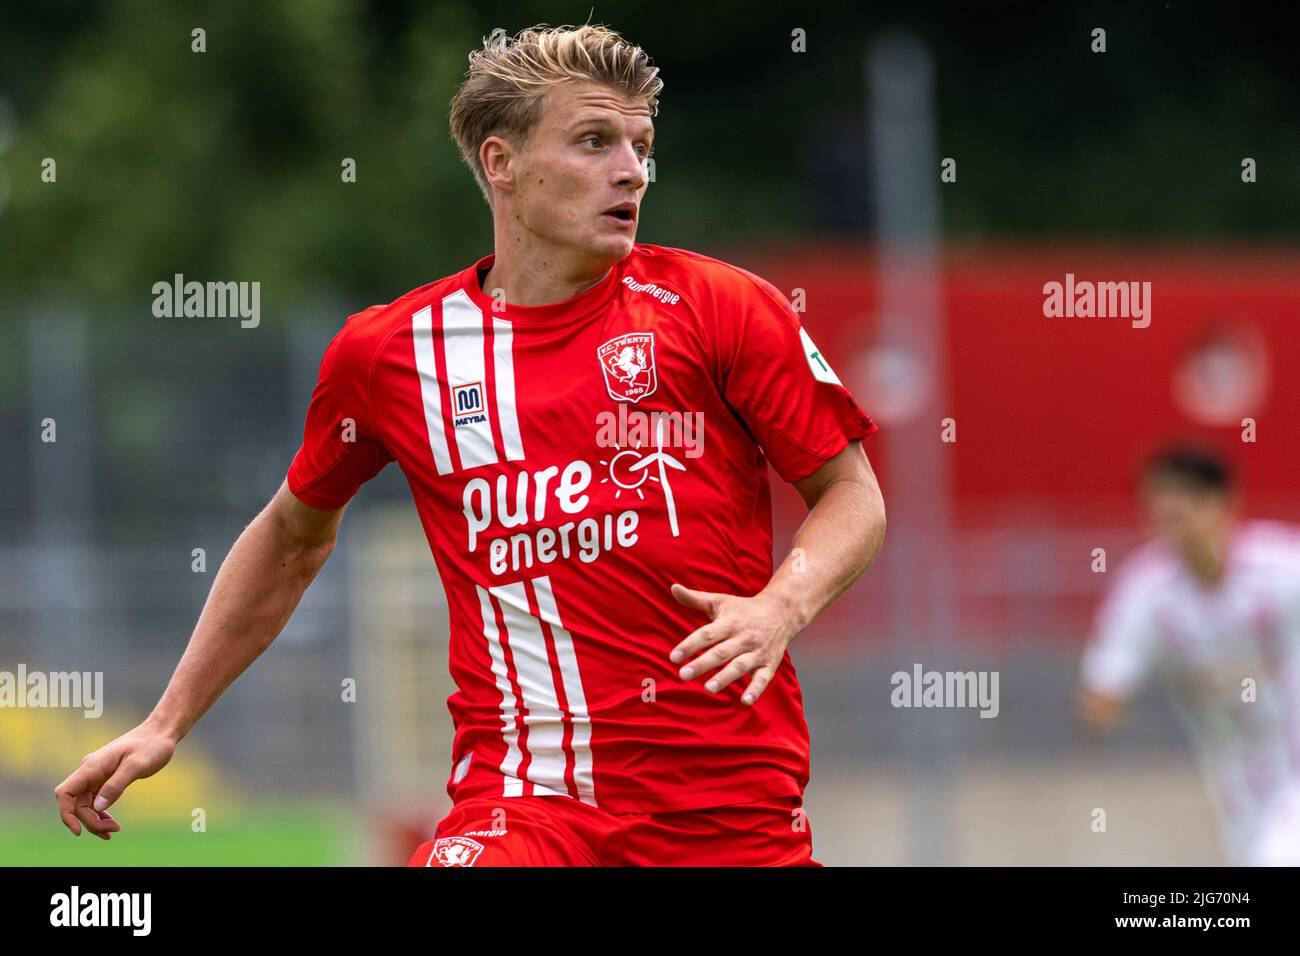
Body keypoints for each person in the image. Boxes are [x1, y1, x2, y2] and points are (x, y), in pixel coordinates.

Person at [55, 23, 886, 867]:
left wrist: (782, 605)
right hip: (527, 802)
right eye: (594, 141)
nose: (631, 170)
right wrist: (169, 721)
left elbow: (852, 494)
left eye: (640, 145)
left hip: (726, 806)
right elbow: (289, 536)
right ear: (502, 164)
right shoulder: (388, 354)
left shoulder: (722, 307)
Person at [1078, 445, 1300, 865]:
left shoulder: (1284, 569)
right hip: (1239, 782)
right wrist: (1100, 710)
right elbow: (1105, 685)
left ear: (1224, 503)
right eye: (1159, 501)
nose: (1171, 510)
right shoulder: (1146, 594)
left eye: (1186, 498)